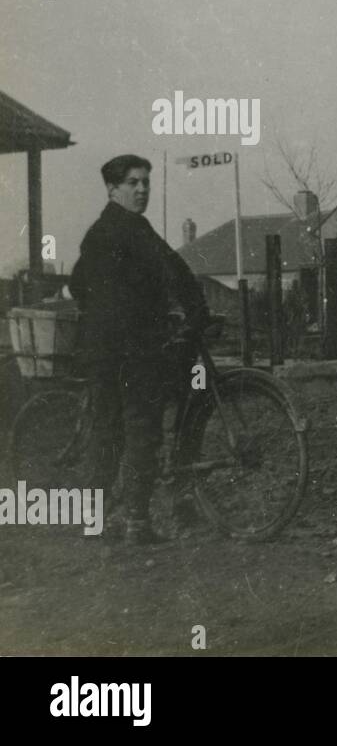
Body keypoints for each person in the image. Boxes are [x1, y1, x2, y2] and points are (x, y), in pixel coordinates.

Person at [69, 154, 208, 545]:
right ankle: (136, 523)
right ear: (113, 189)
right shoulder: (134, 231)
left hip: (102, 350)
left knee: (107, 433)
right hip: (132, 350)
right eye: (133, 183)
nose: (143, 189)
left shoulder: (98, 232)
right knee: (141, 431)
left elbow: (79, 284)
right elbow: (174, 269)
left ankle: (94, 521)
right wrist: (195, 310)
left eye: (146, 182)